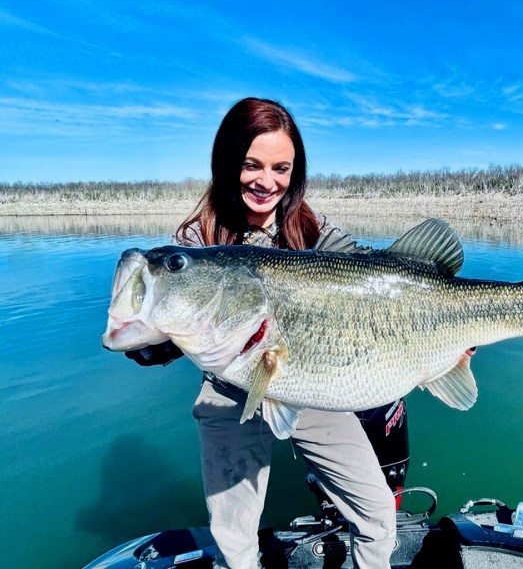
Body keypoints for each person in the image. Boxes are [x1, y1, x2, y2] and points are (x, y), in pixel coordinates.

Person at [127, 97, 476, 569]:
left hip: (316, 385)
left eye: (281, 167)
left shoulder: (313, 229)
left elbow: (370, 272)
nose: (266, 181)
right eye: (251, 165)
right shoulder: (195, 243)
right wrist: (148, 341)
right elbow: (170, 333)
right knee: (234, 531)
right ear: (228, 161)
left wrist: (446, 339)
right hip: (231, 390)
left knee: (377, 513)